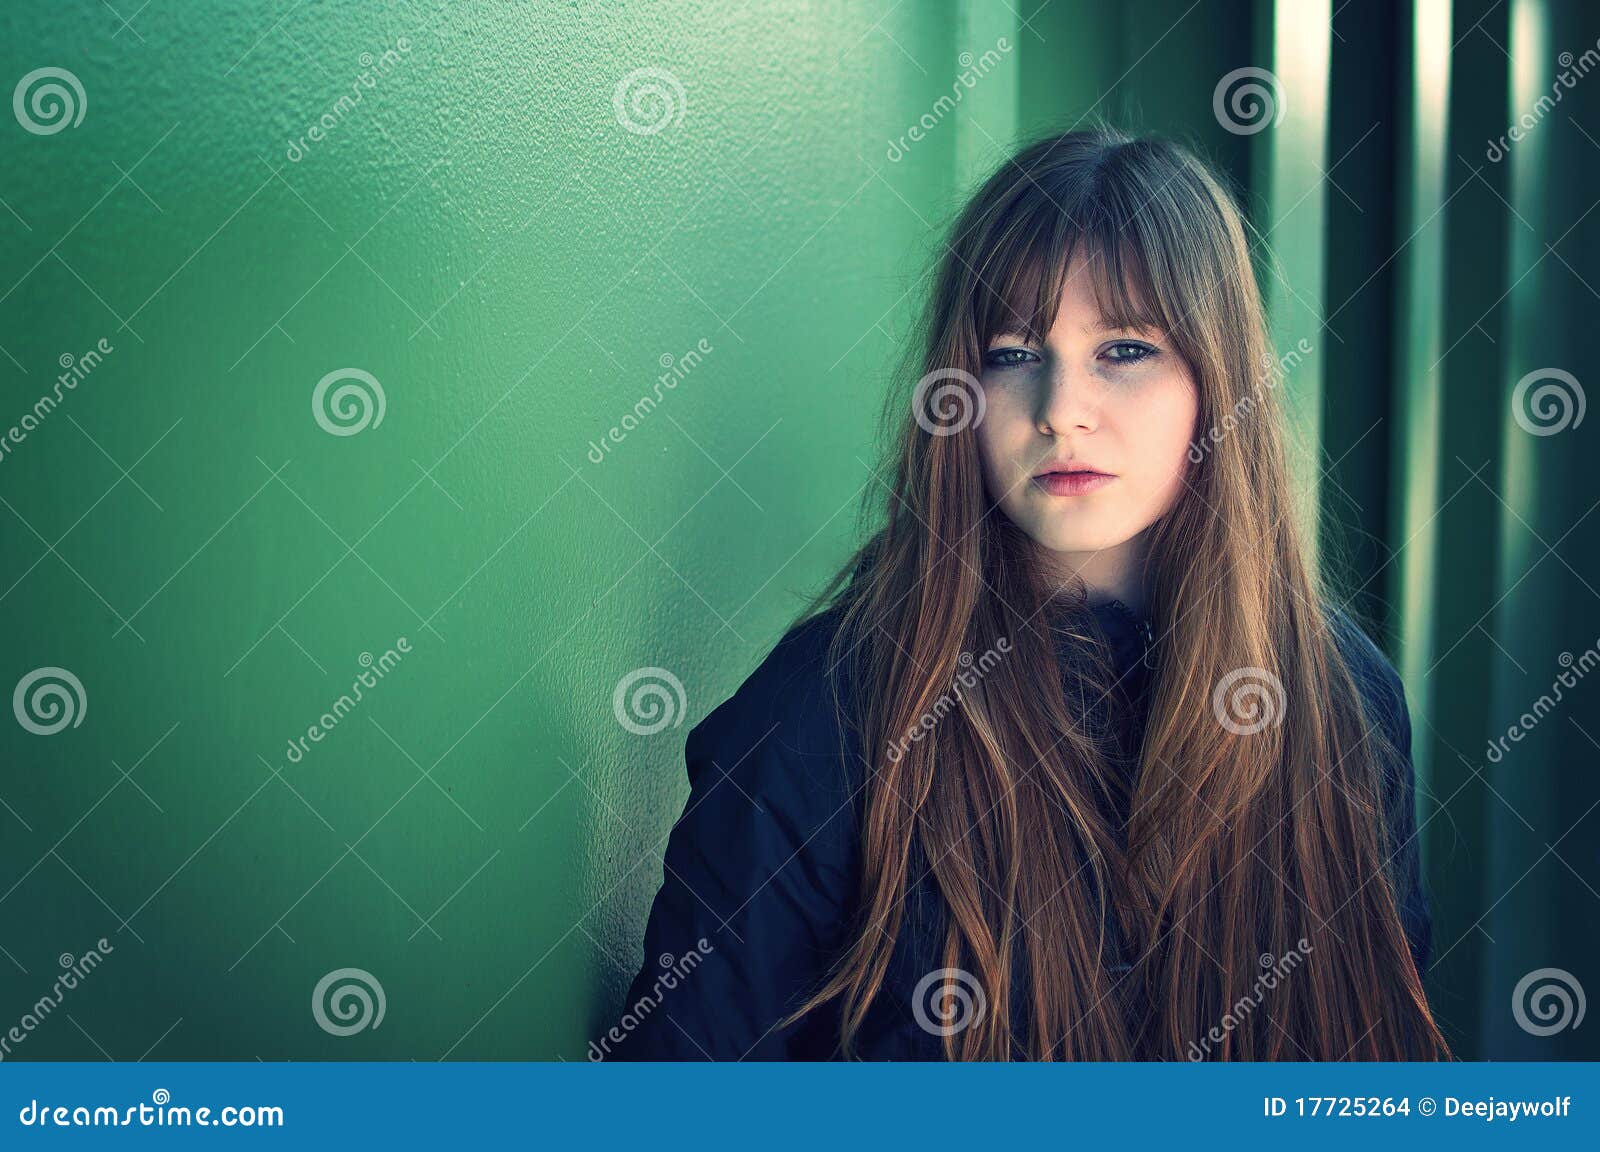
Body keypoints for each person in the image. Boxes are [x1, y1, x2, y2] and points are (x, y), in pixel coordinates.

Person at [600, 126, 1451, 1061]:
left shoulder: (1341, 700)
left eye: (1125, 349)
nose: (1060, 407)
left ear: (1219, 382)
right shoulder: (828, 713)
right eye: (1012, 352)